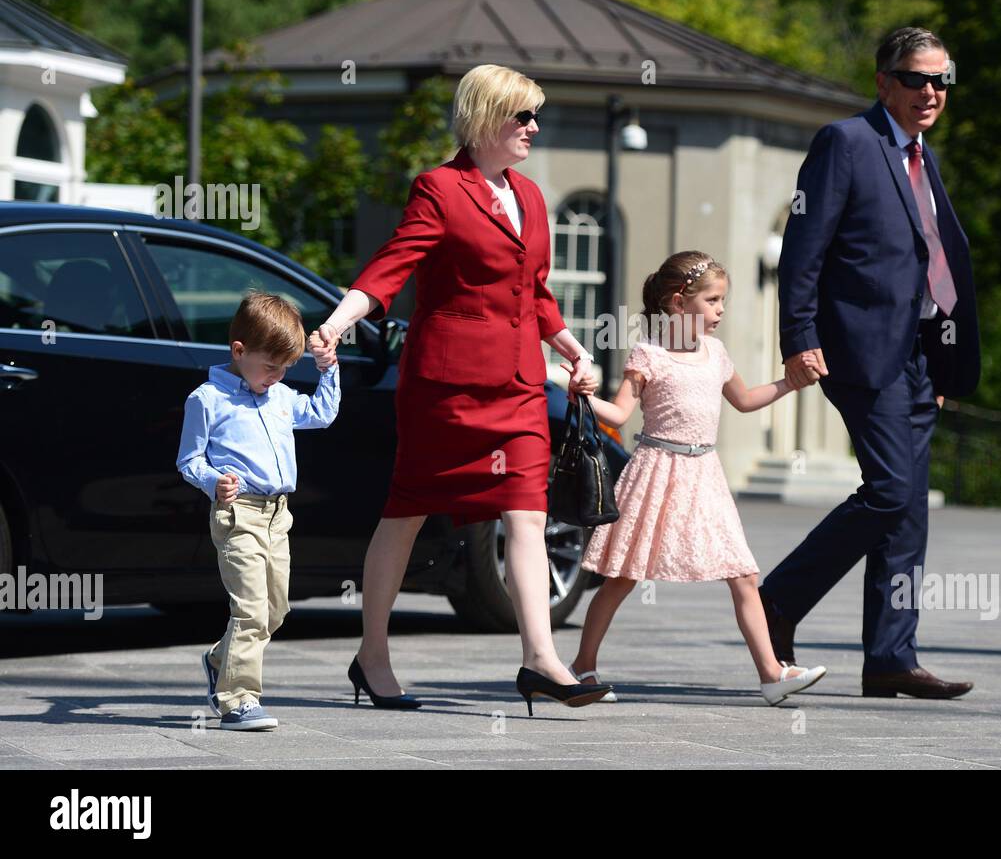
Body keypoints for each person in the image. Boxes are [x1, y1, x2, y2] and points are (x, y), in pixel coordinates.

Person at [313, 63, 609, 713]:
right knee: (406, 513)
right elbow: (390, 269)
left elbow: (533, 294)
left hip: (520, 387)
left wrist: (573, 349)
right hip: (446, 390)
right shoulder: (440, 189)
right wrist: (335, 324)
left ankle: (540, 657)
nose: (534, 126)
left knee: (528, 512)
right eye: (521, 115)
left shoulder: (531, 198)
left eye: (537, 115)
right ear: (483, 120)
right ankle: (374, 654)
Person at [760, 26, 982, 699]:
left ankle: (890, 656)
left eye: (942, 79)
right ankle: (775, 602)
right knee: (889, 490)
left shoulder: (924, 156)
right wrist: (799, 336)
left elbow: (933, 260)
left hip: (921, 356)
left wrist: (944, 364)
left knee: (908, 508)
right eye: (917, 78)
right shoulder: (846, 143)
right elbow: (804, 249)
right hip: (861, 348)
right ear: (885, 81)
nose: (932, 92)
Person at [572, 252, 827, 706]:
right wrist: (580, 395)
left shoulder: (717, 354)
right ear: (678, 303)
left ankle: (771, 674)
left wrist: (789, 383)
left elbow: (745, 400)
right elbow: (618, 413)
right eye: (713, 301)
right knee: (623, 577)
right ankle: (581, 667)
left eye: (722, 300)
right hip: (654, 472)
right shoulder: (648, 355)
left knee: (744, 574)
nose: (721, 311)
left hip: (705, 474)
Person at [177, 291, 340, 730]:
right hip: (238, 517)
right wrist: (214, 482)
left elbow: (323, 414)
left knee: (275, 610)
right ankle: (238, 700)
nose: (278, 376)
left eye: (286, 368)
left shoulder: (282, 397)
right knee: (249, 610)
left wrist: (328, 368)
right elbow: (189, 461)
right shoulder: (207, 400)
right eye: (271, 366)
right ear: (239, 351)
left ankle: (219, 660)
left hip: (277, 517)